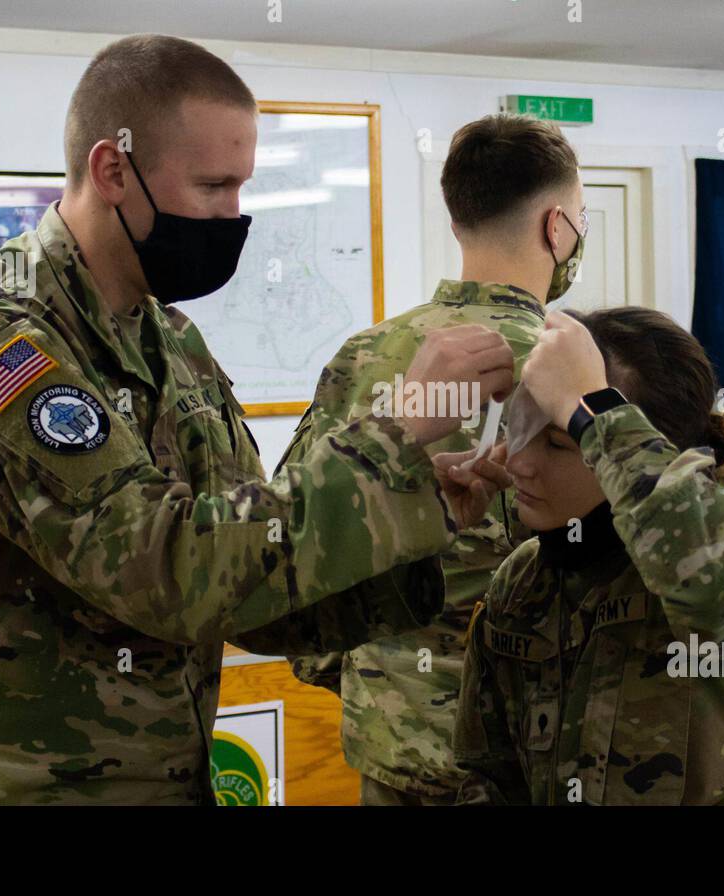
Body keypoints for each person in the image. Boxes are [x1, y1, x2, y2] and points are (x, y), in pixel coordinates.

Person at [0, 34, 512, 805]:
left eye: (241, 187)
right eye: (213, 186)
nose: (233, 216)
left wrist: (418, 507)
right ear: (114, 170)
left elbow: (243, 581)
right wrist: (393, 433)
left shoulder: (172, 344)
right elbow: (164, 570)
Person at [283, 113, 586, 805]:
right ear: (557, 227)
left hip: (389, 743)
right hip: (532, 752)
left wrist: (372, 680)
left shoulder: (364, 356)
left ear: (458, 223)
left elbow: (297, 538)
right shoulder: (577, 366)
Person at [453, 308, 724, 805]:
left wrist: (593, 408)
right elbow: (491, 777)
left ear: (655, 446)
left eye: (558, 442)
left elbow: (710, 590)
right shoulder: (527, 577)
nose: (520, 462)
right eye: (522, 431)